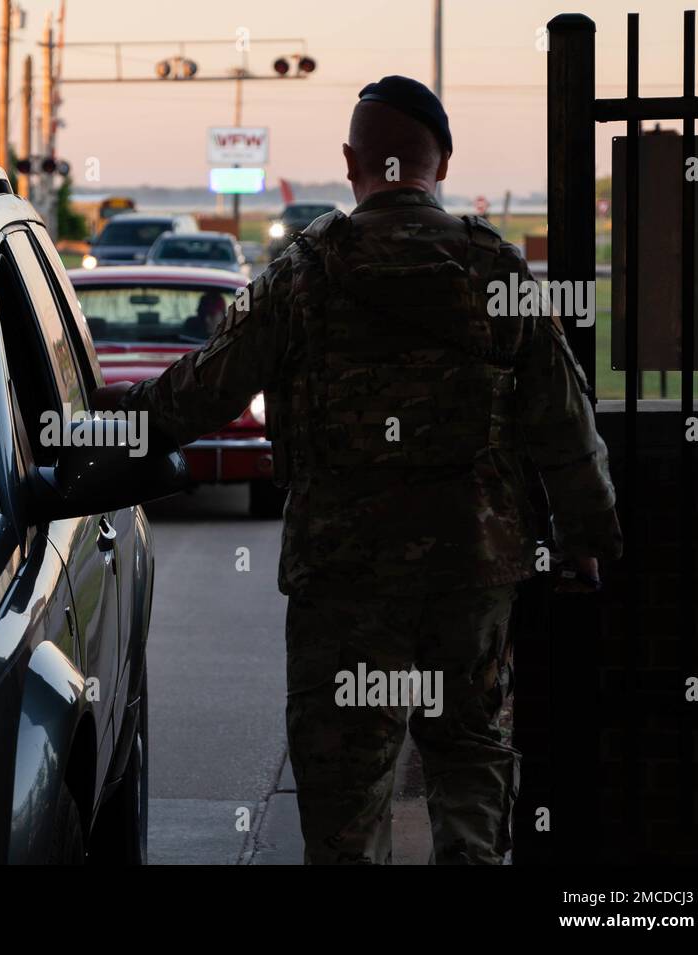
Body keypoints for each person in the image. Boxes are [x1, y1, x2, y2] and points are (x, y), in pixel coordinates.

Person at [95, 75, 622, 864]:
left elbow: (198, 395)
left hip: (342, 583)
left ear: (351, 162)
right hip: (472, 580)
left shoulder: (302, 273)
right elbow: (566, 423)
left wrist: (93, 416)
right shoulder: (495, 271)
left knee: (344, 802)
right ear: (442, 160)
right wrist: (586, 538)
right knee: (472, 764)